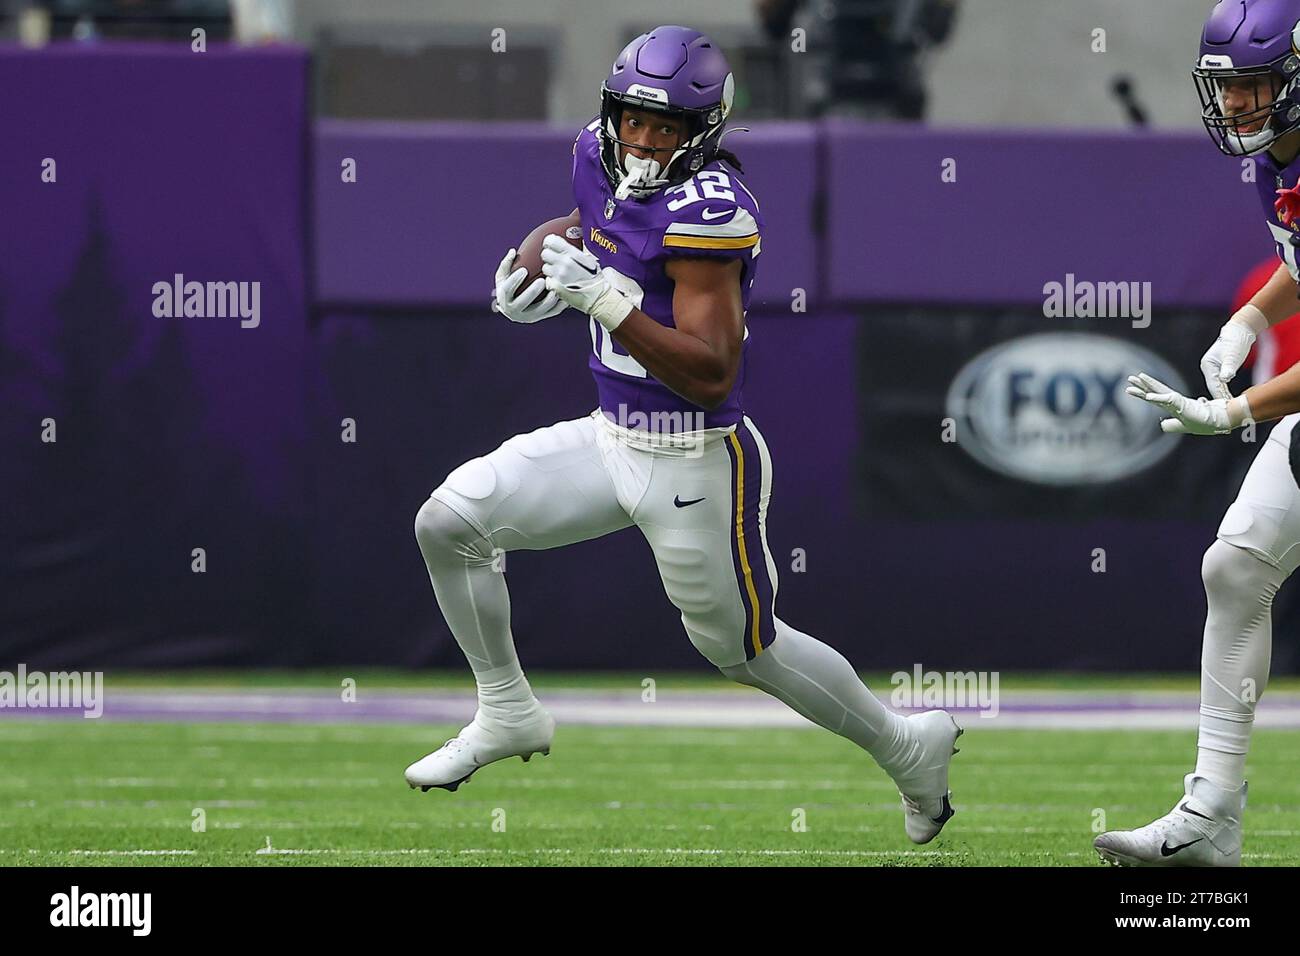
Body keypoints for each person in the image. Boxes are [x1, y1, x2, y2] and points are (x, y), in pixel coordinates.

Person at [403, 25, 960, 844]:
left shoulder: (712, 211)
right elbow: (582, 222)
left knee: (747, 651)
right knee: (449, 523)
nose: (644, 139)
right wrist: (533, 260)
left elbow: (711, 373)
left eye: (666, 128)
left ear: (704, 131)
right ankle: (506, 710)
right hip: (610, 438)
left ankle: (908, 748)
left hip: (697, 461)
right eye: (633, 119)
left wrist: (606, 304)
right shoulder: (595, 155)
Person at [1097, 0, 1300, 867]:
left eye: (1255, 89)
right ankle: (1211, 816)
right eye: (1230, 91)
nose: (1238, 110)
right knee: (1236, 565)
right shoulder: (1275, 166)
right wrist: (1252, 318)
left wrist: (1235, 411)